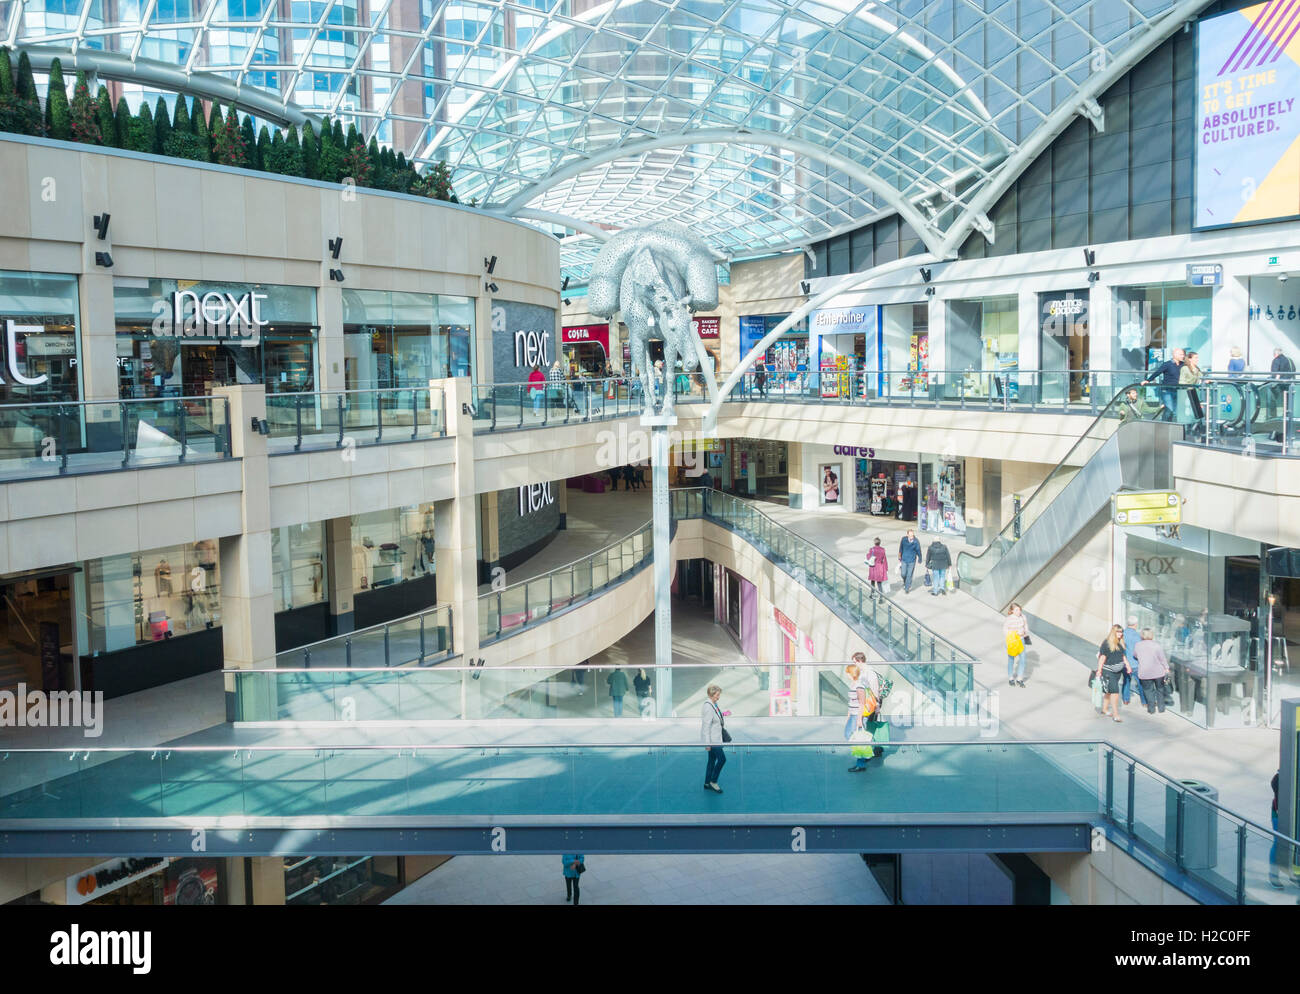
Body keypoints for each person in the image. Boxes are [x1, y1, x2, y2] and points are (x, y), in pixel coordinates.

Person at [1095, 624, 1131, 722]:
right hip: (1108, 671)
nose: (1120, 634)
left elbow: (1123, 656)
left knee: (1109, 691)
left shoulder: (1121, 642)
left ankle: (1104, 709)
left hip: (1117, 672)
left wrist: (1127, 665)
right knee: (1115, 692)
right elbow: (1102, 658)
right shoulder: (1106, 643)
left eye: (1121, 632)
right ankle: (1116, 715)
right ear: (1113, 632)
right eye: (1118, 632)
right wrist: (1099, 670)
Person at [1141, 347, 1184, 422]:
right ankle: (1164, 425)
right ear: (1174, 355)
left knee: (1175, 411)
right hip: (1167, 391)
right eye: (1181, 354)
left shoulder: (1183, 365)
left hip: (1177, 390)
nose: (1183, 356)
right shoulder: (1167, 364)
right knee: (1169, 409)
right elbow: (1157, 372)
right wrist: (1148, 380)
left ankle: (1171, 426)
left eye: (1183, 354)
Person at [1133, 629, 1170, 715]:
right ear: (1151, 635)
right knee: (1160, 690)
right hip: (1158, 672)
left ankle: (1151, 709)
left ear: (1142, 635)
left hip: (1145, 672)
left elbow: (1135, 655)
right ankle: (1161, 708)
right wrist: (1166, 668)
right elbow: (1162, 659)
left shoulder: (1138, 645)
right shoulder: (1157, 645)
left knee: (1148, 691)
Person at [700, 684, 727, 793]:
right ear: (711, 694)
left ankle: (707, 782)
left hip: (715, 738)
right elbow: (706, 726)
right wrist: (707, 744)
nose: (718, 697)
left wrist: (723, 714)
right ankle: (713, 781)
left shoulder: (714, 704)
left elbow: (715, 718)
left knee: (711, 760)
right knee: (722, 759)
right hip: (713, 740)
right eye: (717, 695)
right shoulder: (708, 706)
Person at [1004, 603, 1030, 687]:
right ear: (1012, 611)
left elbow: (1025, 625)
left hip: (1021, 640)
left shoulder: (1023, 616)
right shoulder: (1009, 619)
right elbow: (1005, 629)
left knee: (1023, 659)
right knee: (1011, 659)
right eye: (1016, 610)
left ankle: (1019, 678)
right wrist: (1011, 637)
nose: (1019, 611)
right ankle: (1011, 678)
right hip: (1012, 641)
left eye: (1019, 609)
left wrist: (1025, 632)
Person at [1122, 616, 1146, 707]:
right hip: (1136, 664)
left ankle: (1126, 699)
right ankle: (1144, 702)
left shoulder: (1123, 634)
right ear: (1136, 624)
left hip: (1125, 663)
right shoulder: (1137, 636)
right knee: (1140, 683)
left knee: (1126, 681)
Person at [898, 529, 921, 593]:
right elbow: (901, 548)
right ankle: (905, 582)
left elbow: (918, 550)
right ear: (907, 535)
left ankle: (907, 588)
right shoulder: (903, 539)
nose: (912, 537)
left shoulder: (916, 541)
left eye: (912, 535)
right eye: (910, 535)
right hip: (904, 559)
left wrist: (920, 558)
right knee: (903, 574)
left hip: (912, 560)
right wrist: (899, 556)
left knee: (909, 574)